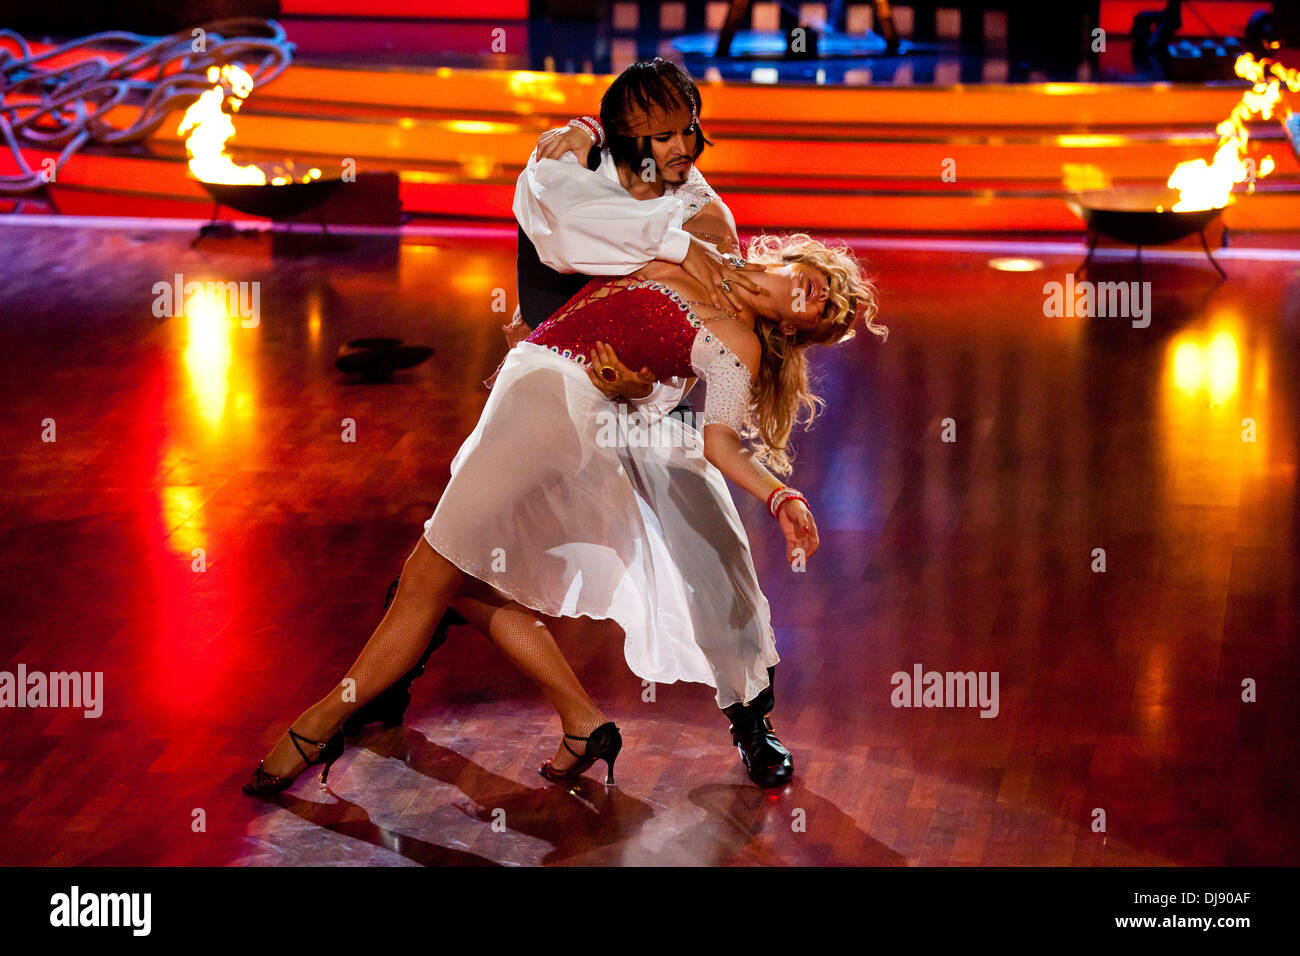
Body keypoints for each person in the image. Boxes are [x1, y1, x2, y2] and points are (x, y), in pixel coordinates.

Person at [241, 230, 884, 796]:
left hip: (560, 415)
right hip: (525, 384)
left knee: (425, 579)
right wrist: (581, 133)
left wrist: (781, 495)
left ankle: (317, 726)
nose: (818, 295)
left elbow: (715, 443)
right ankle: (583, 723)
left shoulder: (738, 344)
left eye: (824, 309)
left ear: (796, 329)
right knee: (460, 580)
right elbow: (588, 217)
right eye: (825, 284)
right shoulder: (697, 245)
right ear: (799, 260)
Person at [346, 59, 801, 787]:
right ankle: (393, 680)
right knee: (465, 529)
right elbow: (564, 240)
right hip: (558, 388)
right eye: (660, 135)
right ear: (622, 139)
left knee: (713, 547)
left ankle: (752, 714)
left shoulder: (702, 212)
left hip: (645, 409)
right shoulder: (567, 172)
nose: (681, 147)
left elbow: (707, 339)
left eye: (689, 130)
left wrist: (647, 382)